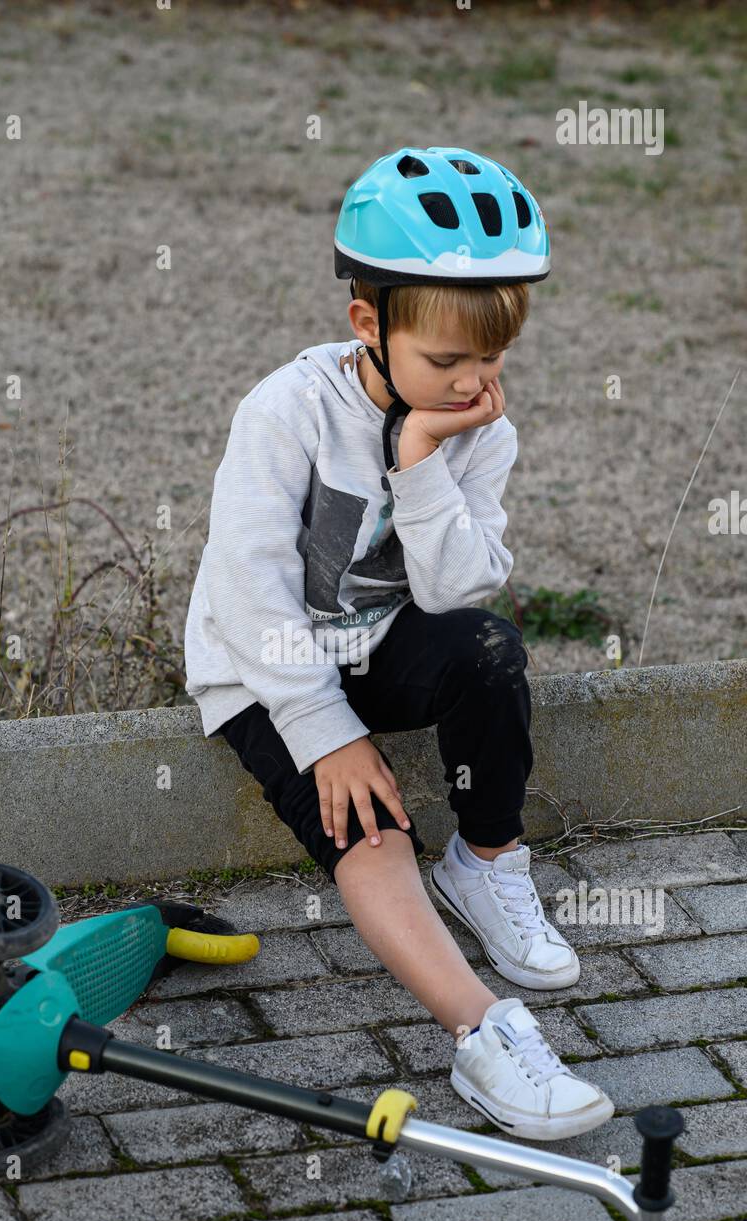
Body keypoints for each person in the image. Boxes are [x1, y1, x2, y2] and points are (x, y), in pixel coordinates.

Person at [183, 145, 614, 1141]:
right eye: (445, 362)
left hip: (378, 635)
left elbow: (459, 588)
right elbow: (247, 590)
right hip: (264, 664)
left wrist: (422, 462)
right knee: (368, 822)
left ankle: (486, 862)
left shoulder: (476, 429)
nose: (471, 384)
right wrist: (321, 727)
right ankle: (485, 1035)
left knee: (493, 651)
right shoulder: (286, 412)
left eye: (491, 361)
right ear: (367, 325)